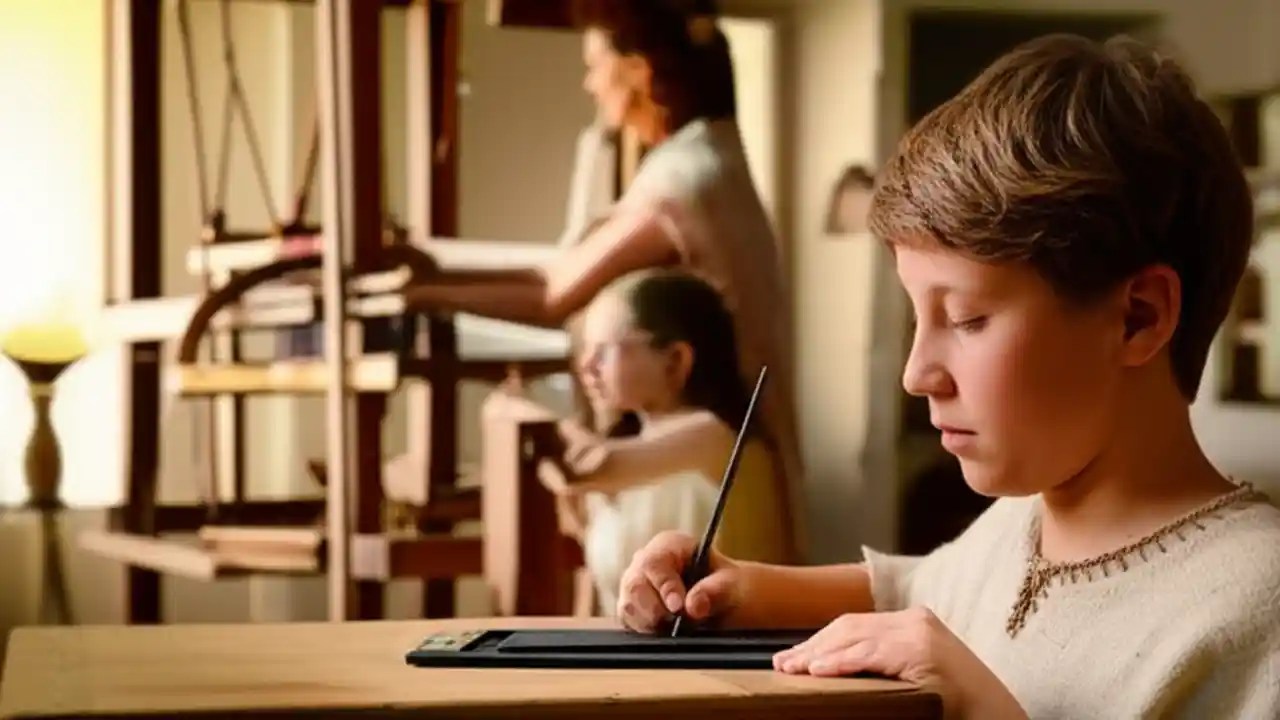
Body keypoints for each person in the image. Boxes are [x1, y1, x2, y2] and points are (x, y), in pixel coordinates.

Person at [612, 34, 1280, 719]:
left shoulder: (1253, 612)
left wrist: (982, 707)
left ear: (1138, 318)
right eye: (916, 317)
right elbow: (918, 586)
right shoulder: (1021, 522)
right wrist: (744, 586)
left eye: (964, 319)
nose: (916, 374)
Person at [401, 0, 805, 563]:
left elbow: (552, 292)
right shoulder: (703, 160)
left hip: (718, 473)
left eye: (596, 64)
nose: (590, 83)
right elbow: (559, 271)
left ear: (638, 68)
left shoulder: (689, 179)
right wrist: (431, 274)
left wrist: (419, 290)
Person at [529, 269, 792, 613]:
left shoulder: (712, 436)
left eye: (605, 350)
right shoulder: (628, 449)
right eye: (586, 349)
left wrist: (520, 412)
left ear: (675, 361)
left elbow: (584, 465)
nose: (586, 366)